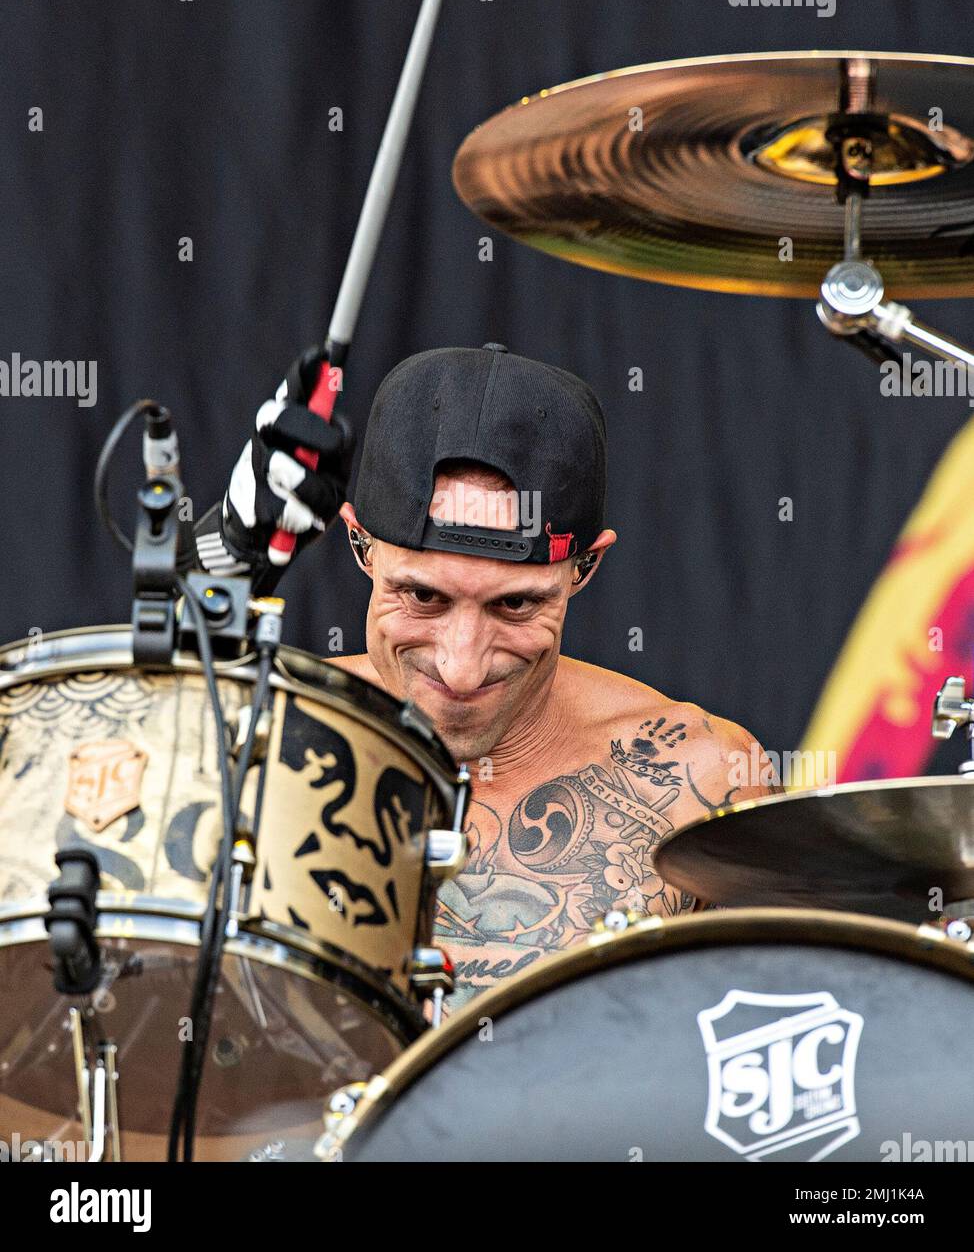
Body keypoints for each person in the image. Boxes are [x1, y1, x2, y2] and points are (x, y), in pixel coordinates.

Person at [194, 342, 775, 1012]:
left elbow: (744, 1078)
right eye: (421, 597)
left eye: (516, 605)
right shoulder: (251, 737)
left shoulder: (701, 778)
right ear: (360, 545)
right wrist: (212, 566)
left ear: (584, 568)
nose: (461, 667)